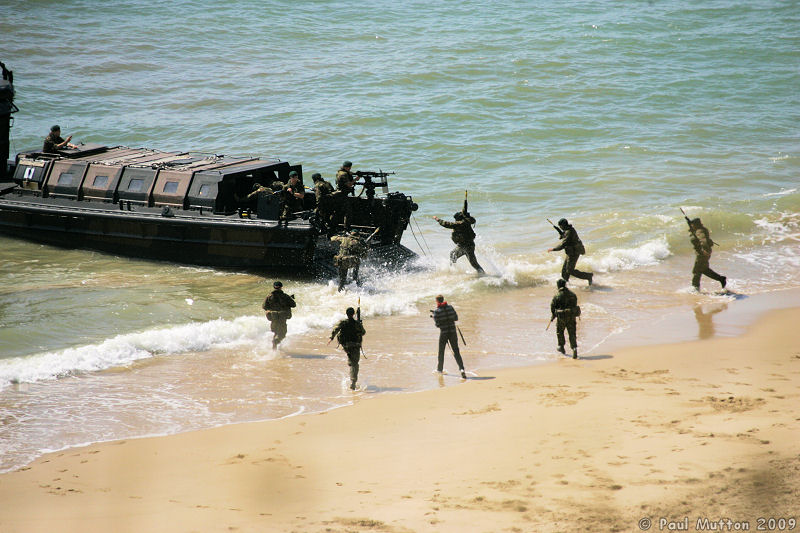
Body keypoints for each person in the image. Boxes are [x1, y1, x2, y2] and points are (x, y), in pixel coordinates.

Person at [547, 218, 593, 286]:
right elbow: (564, 236)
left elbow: (564, 243)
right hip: (570, 252)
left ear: (564, 225)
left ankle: (588, 276)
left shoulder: (570, 231)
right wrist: (560, 232)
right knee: (564, 271)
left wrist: (553, 249)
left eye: (561, 226)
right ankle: (565, 285)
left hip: (574, 252)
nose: (560, 228)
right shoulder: (568, 230)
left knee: (570, 270)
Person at [329, 307, 366, 390]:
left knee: (351, 362)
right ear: (353, 314)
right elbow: (363, 332)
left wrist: (331, 338)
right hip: (355, 345)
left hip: (346, 346)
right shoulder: (357, 324)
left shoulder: (343, 323)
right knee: (355, 364)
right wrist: (360, 324)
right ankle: (353, 382)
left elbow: (336, 329)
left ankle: (351, 368)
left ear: (346, 314)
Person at [432, 294, 467, 379]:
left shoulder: (437, 311)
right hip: (452, 332)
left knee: (441, 351)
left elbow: (437, 325)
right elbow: (456, 318)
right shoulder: (450, 307)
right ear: (443, 300)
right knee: (456, 351)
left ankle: (439, 369)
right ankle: (462, 369)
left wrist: (435, 317)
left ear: (437, 301)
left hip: (444, 333)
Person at [688, 217, 726, 291]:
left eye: (693, 224)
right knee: (704, 269)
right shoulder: (701, 229)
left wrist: (705, 250)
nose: (692, 226)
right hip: (703, 252)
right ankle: (721, 279)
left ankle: (695, 288)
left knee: (697, 271)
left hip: (702, 253)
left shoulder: (699, 231)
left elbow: (703, 240)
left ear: (695, 224)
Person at [550, 278, 580, 359]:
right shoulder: (573, 295)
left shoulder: (557, 296)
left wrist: (553, 315)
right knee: (572, 333)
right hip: (571, 317)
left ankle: (561, 347)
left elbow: (553, 307)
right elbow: (575, 304)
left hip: (561, 318)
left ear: (558, 286)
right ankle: (574, 348)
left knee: (560, 332)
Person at [261, 281, 296, 349]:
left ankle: (274, 350)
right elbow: (293, 305)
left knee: (276, 332)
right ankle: (276, 342)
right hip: (282, 317)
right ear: (281, 287)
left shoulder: (269, 296)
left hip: (273, 317)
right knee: (282, 334)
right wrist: (289, 299)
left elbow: (264, 306)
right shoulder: (285, 296)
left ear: (274, 287)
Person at [334, 160, 356, 230]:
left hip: (339, 194)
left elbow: (349, 173)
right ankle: (346, 228)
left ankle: (334, 225)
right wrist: (355, 179)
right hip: (342, 195)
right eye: (349, 167)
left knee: (338, 211)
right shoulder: (344, 174)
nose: (350, 169)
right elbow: (349, 184)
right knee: (348, 212)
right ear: (347, 167)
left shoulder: (340, 172)